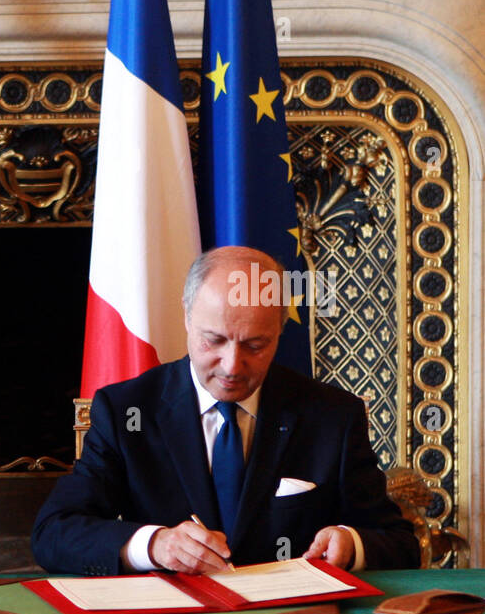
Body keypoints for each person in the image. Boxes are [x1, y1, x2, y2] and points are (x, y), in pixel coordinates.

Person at [32, 245, 419, 575]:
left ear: (280, 330)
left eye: (255, 345)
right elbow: (53, 532)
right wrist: (154, 545)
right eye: (213, 340)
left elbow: (401, 545)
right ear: (186, 317)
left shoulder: (333, 416)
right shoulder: (126, 410)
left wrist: (350, 544)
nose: (232, 366)